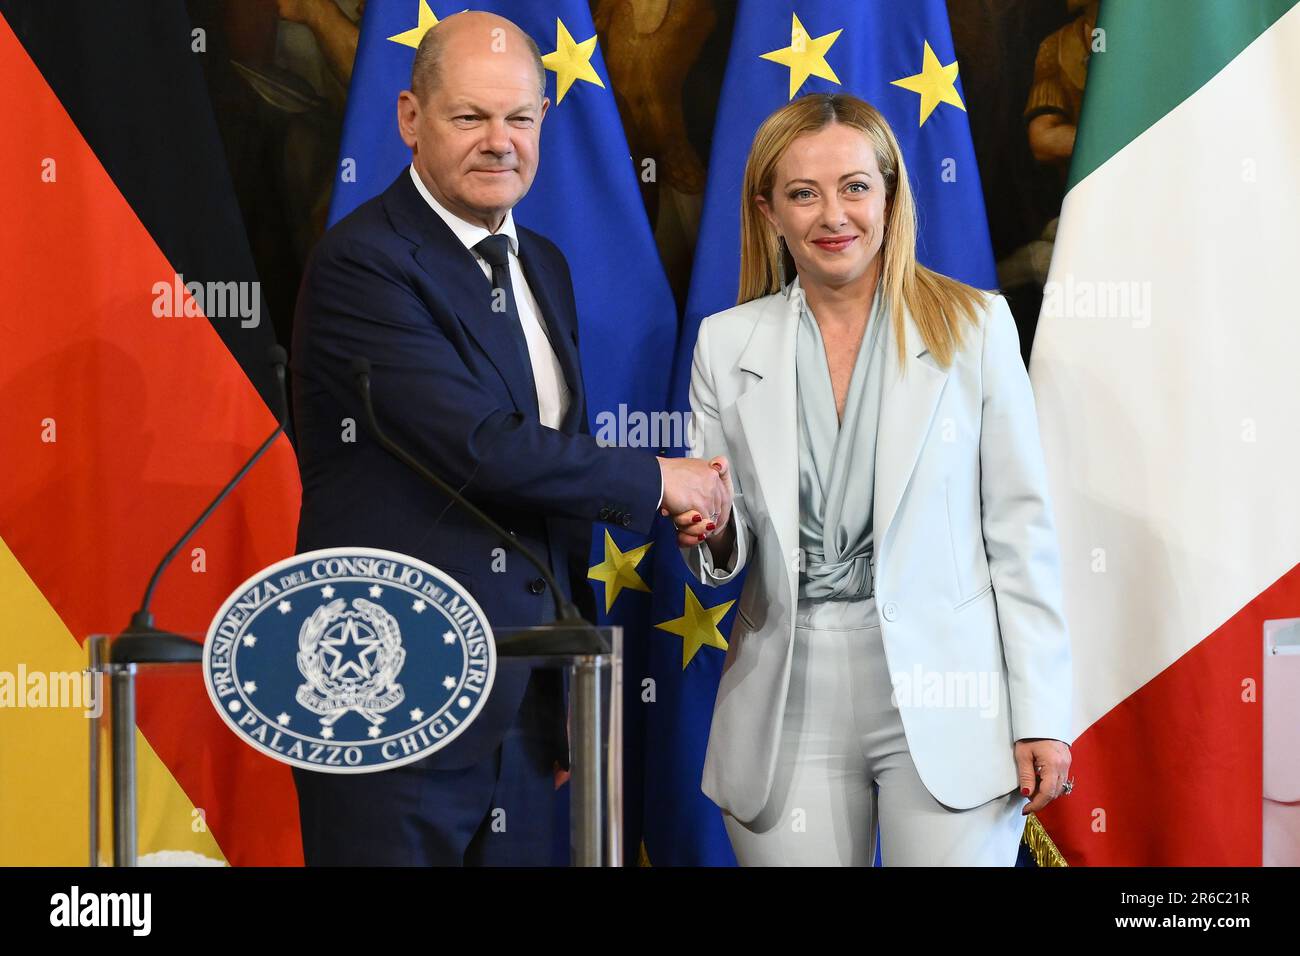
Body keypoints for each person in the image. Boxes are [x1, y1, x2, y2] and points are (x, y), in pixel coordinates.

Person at [290, 10, 724, 866]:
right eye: (470, 117)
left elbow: (548, 500)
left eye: (520, 118)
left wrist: (561, 683)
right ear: (410, 117)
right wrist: (657, 480)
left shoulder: (543, 265)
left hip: (524, 701)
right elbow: (481, 448)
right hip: (390, 690)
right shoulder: (362, 264)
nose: (500, 142)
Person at [672, 93, 1075, 866]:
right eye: (803, 193)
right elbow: (723, 543)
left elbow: (1021, 534)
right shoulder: (725, 346)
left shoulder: (976, 327)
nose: (834, 215)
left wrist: (1041, 713)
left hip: (952, 700)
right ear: (769, 212)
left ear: (890, 196)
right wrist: (712, 531)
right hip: (784, 702)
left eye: (855, 186)